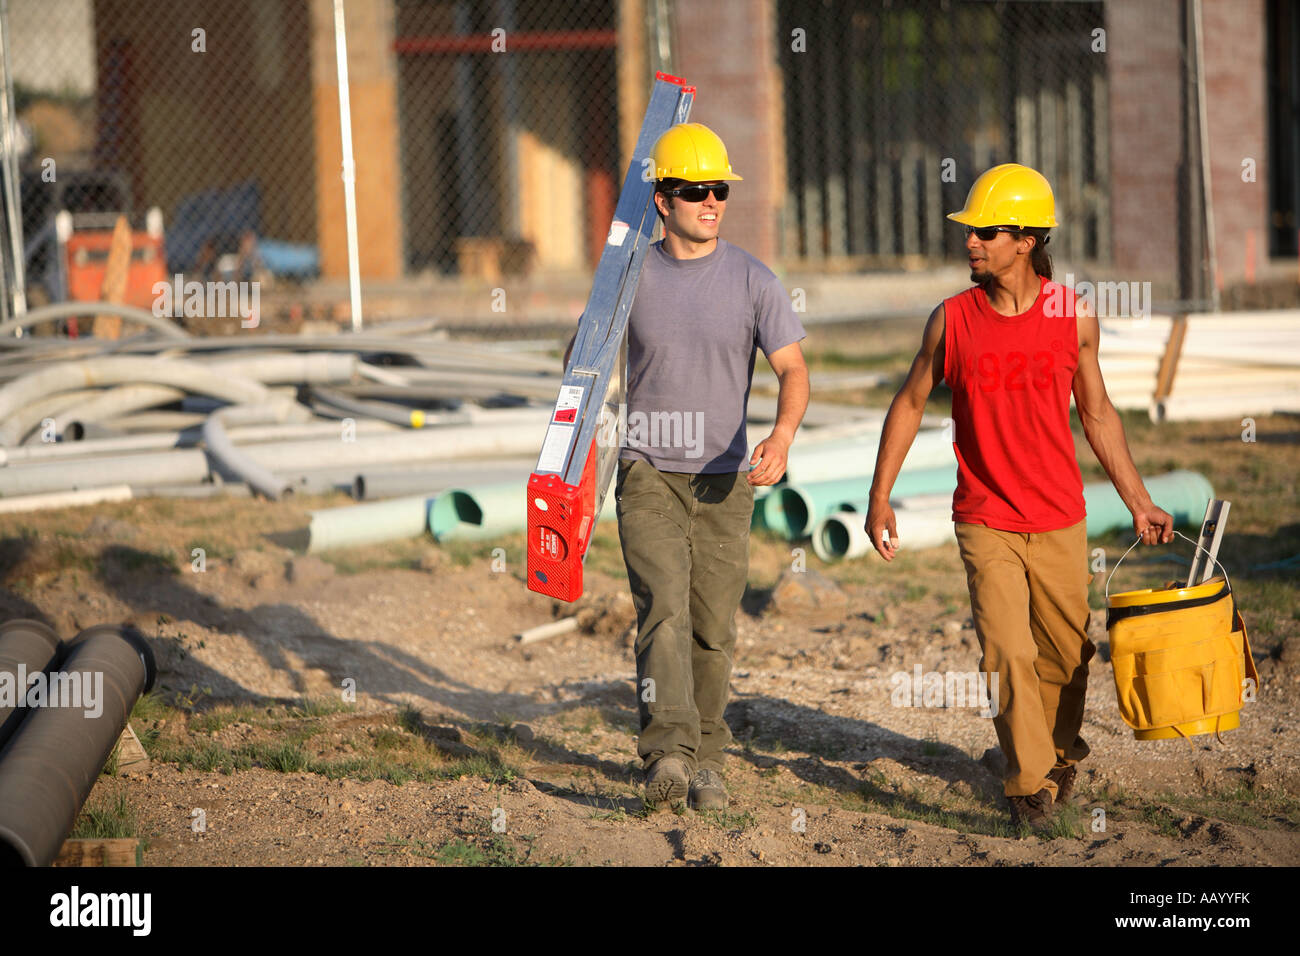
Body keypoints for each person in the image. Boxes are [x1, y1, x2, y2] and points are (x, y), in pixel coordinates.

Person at [863, 163, 1173, 831]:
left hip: (1060, 515)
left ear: (1026, 241)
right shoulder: (951, 321)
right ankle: (1028, 787)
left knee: (1068, 654)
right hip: (985, 517)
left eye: (985, 231)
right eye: (969, 231)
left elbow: (1098, 414)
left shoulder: (1072, 316)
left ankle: (1059, 755)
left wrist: (1140, 501)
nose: (970, 241)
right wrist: (879, 495)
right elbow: (911, 402)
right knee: (1006, 650)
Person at [568, 123, 808, 809]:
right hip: (647, 472)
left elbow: (794, 368)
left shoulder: (754, 280)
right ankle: (665, 754)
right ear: (663, 200)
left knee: (713, 624)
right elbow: (581, 364)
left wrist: (783, 436)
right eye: (696, 189)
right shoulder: (627, 276)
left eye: (720, 189)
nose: (711, 200)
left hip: (726, 479)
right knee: (661, 610)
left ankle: (708, 760)